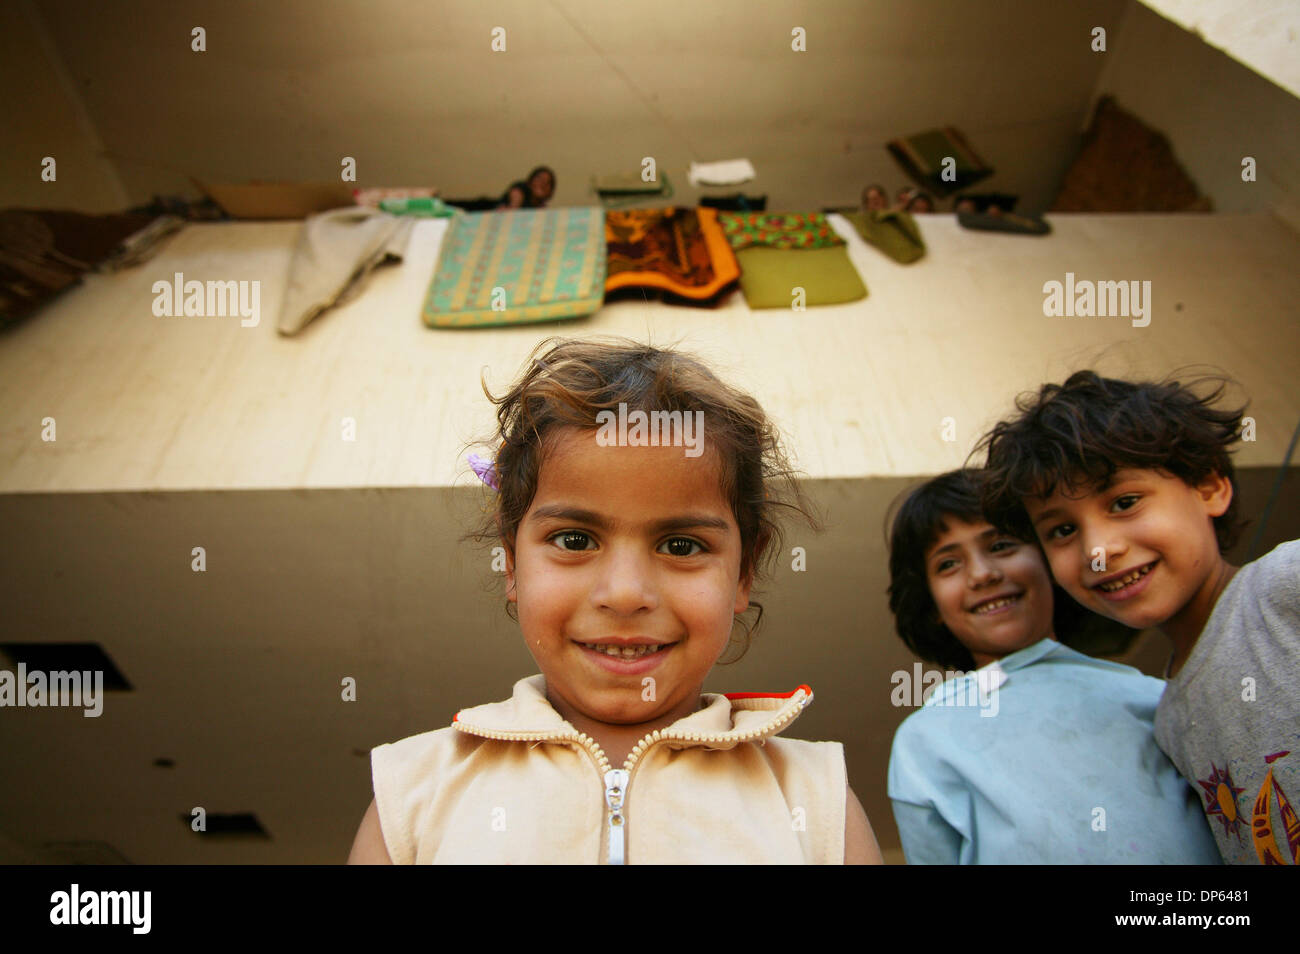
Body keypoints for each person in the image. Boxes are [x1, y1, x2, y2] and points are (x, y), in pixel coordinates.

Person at [348, 336, 882, 864]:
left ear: (743, 572)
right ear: (511, 560)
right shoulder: (412, 795)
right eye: (575, 540)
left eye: (681, 546)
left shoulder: (818, 802)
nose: (625, 594)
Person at [977, 371, 1300, 864]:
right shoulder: (1170, 721)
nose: (1099, 550)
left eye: (1125, 502)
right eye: (1062, 529)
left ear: (1210, 486)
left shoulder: (1284, 586)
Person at [886, 469, 1221, 864]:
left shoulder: (1156, 698)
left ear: (1051, 560)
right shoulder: (925, 740)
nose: (982, 574)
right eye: (947, 564)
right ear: (931, 607)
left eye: (1001, 545)